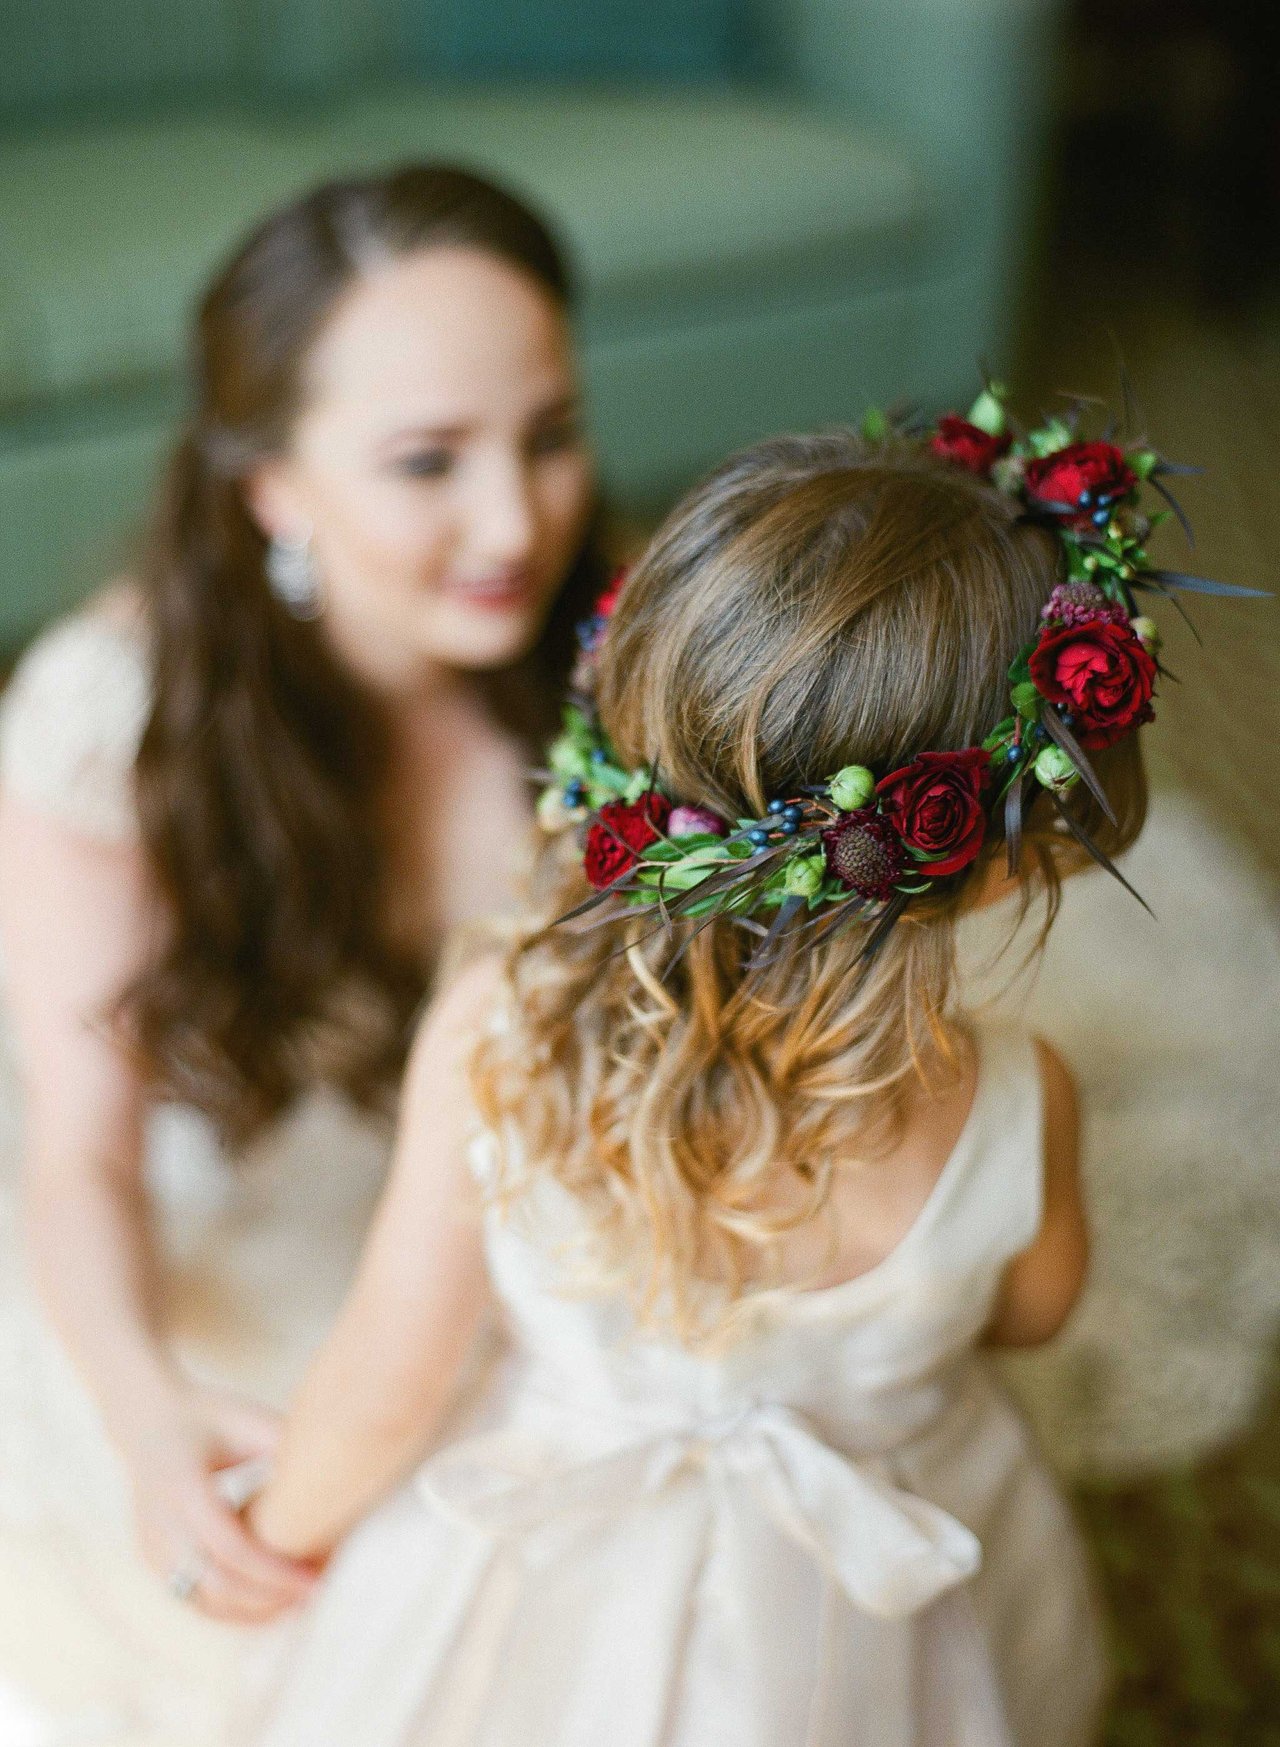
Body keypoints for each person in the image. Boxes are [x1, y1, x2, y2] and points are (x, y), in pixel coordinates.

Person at [235, 412, 1177, 1745]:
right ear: (992, 858)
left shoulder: (497, 1027)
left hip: (551, 1567)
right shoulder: (1023, 1101)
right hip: (884, 1578)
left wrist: (272, 1541)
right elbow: (1029, 1316)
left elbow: (389, 1379)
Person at [0, 163, 603, 1729]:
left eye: (549, 435)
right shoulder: (108, 721)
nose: (514, 522)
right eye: (427, 462)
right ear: (271, 485)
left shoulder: (620, 647)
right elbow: (83, 1153)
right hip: (257, 1215)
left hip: (528, 1202)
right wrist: (145, 1420)